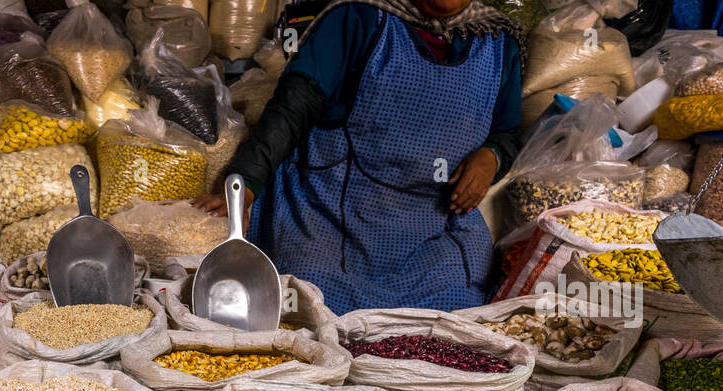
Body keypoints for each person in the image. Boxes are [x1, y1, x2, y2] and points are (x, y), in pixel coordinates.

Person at [195, 0, 525, 313]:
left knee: (459, 307)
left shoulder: (497, 41)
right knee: (311, 297)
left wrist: (491, 157)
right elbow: (290, 110)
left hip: (432, 225)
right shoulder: (357, 18)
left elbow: (507, 133)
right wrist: (245, 184)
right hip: (330, 214)